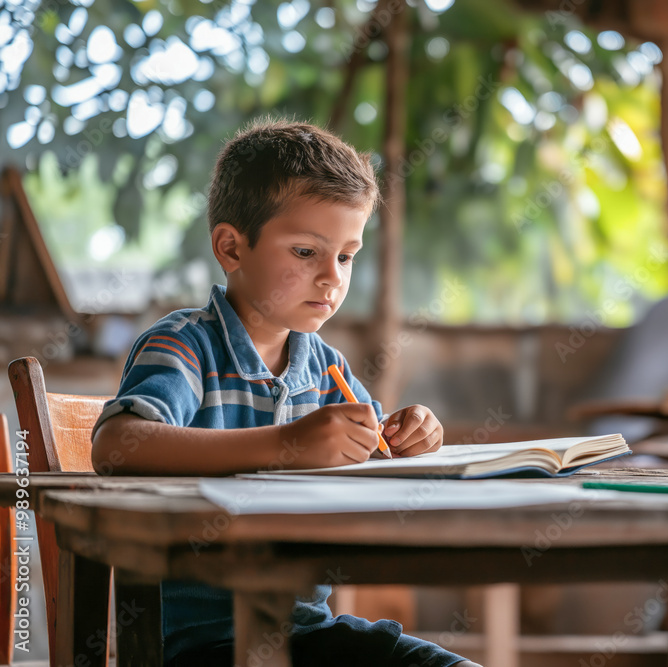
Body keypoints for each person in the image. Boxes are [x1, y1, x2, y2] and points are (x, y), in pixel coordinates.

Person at [91, 118, 481, 667]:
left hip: (307, 633)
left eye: (346, 256)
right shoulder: (184, 347)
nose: (331, 278)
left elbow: (376, 449)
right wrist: (287, 445)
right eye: (305, 252)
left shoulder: (326, 368)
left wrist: (411, 432)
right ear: (232, 247)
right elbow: (117, 445)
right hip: (201, 645)